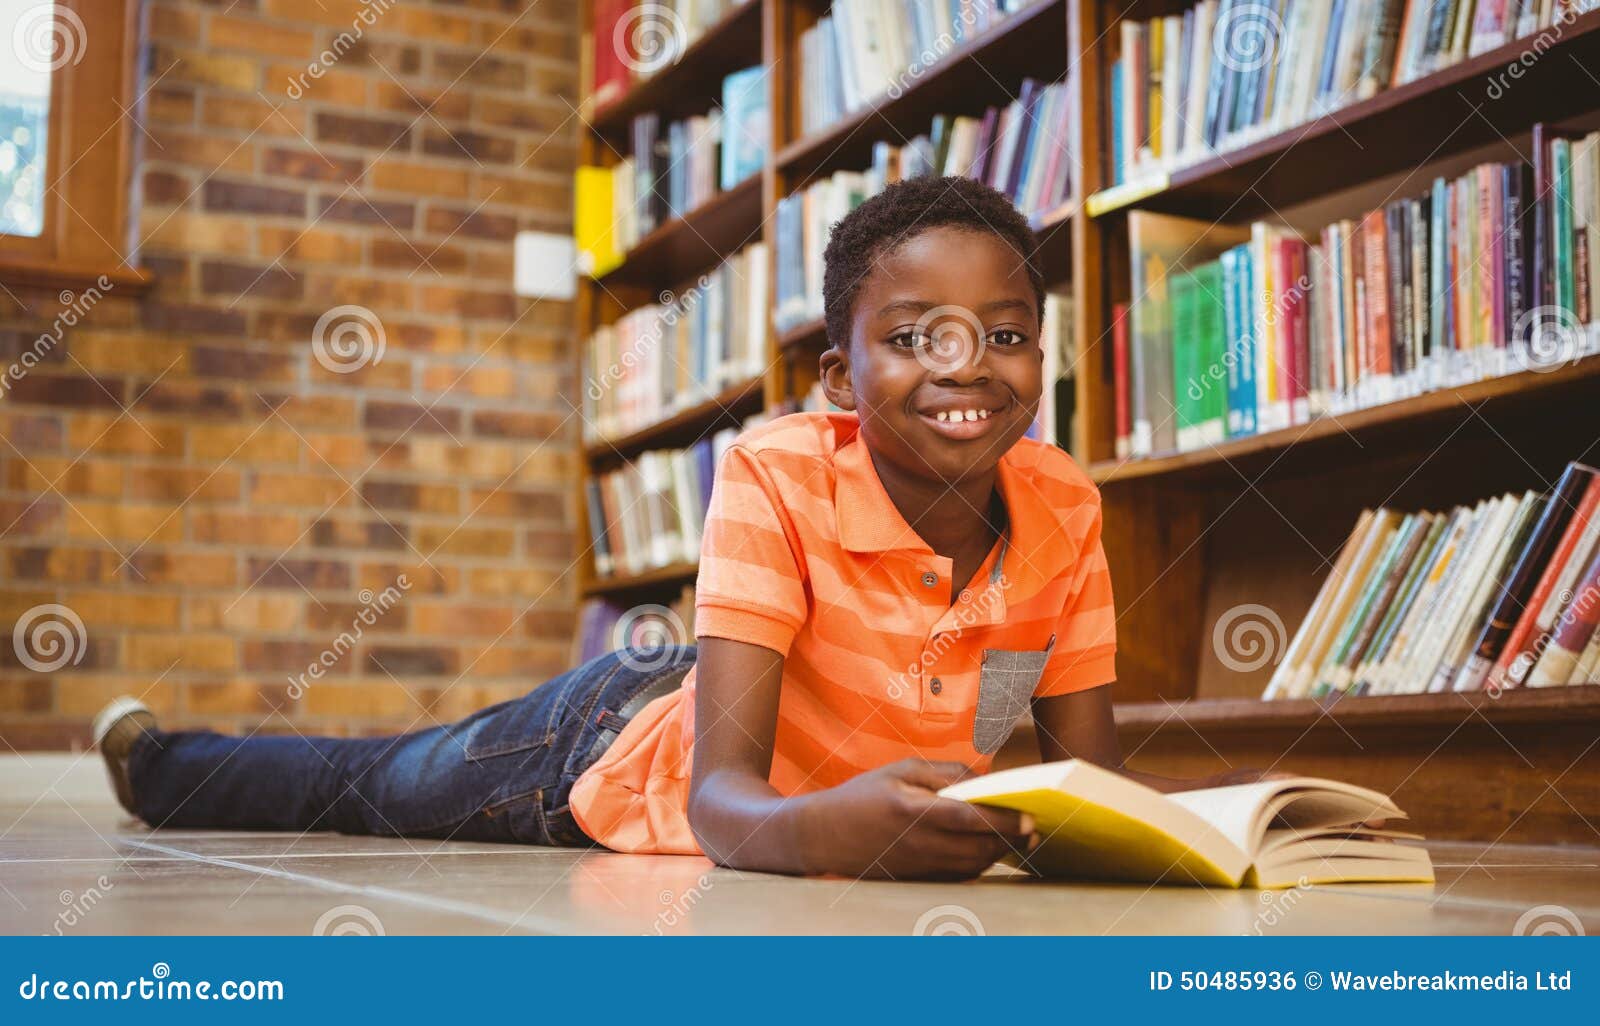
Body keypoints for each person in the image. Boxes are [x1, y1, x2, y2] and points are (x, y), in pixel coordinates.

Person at [94, 175, 1259, 881]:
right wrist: (824, 830)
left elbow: (1088, 778)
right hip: (615, 747)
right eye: (913, 336)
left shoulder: (1063, 506)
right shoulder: (779, 472)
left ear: (1041, 358)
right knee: (377, 783)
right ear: (838, 380)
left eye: (1003, 334)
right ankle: (159, 764)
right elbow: (722, 806)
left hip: (809, 787)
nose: (966, 367)